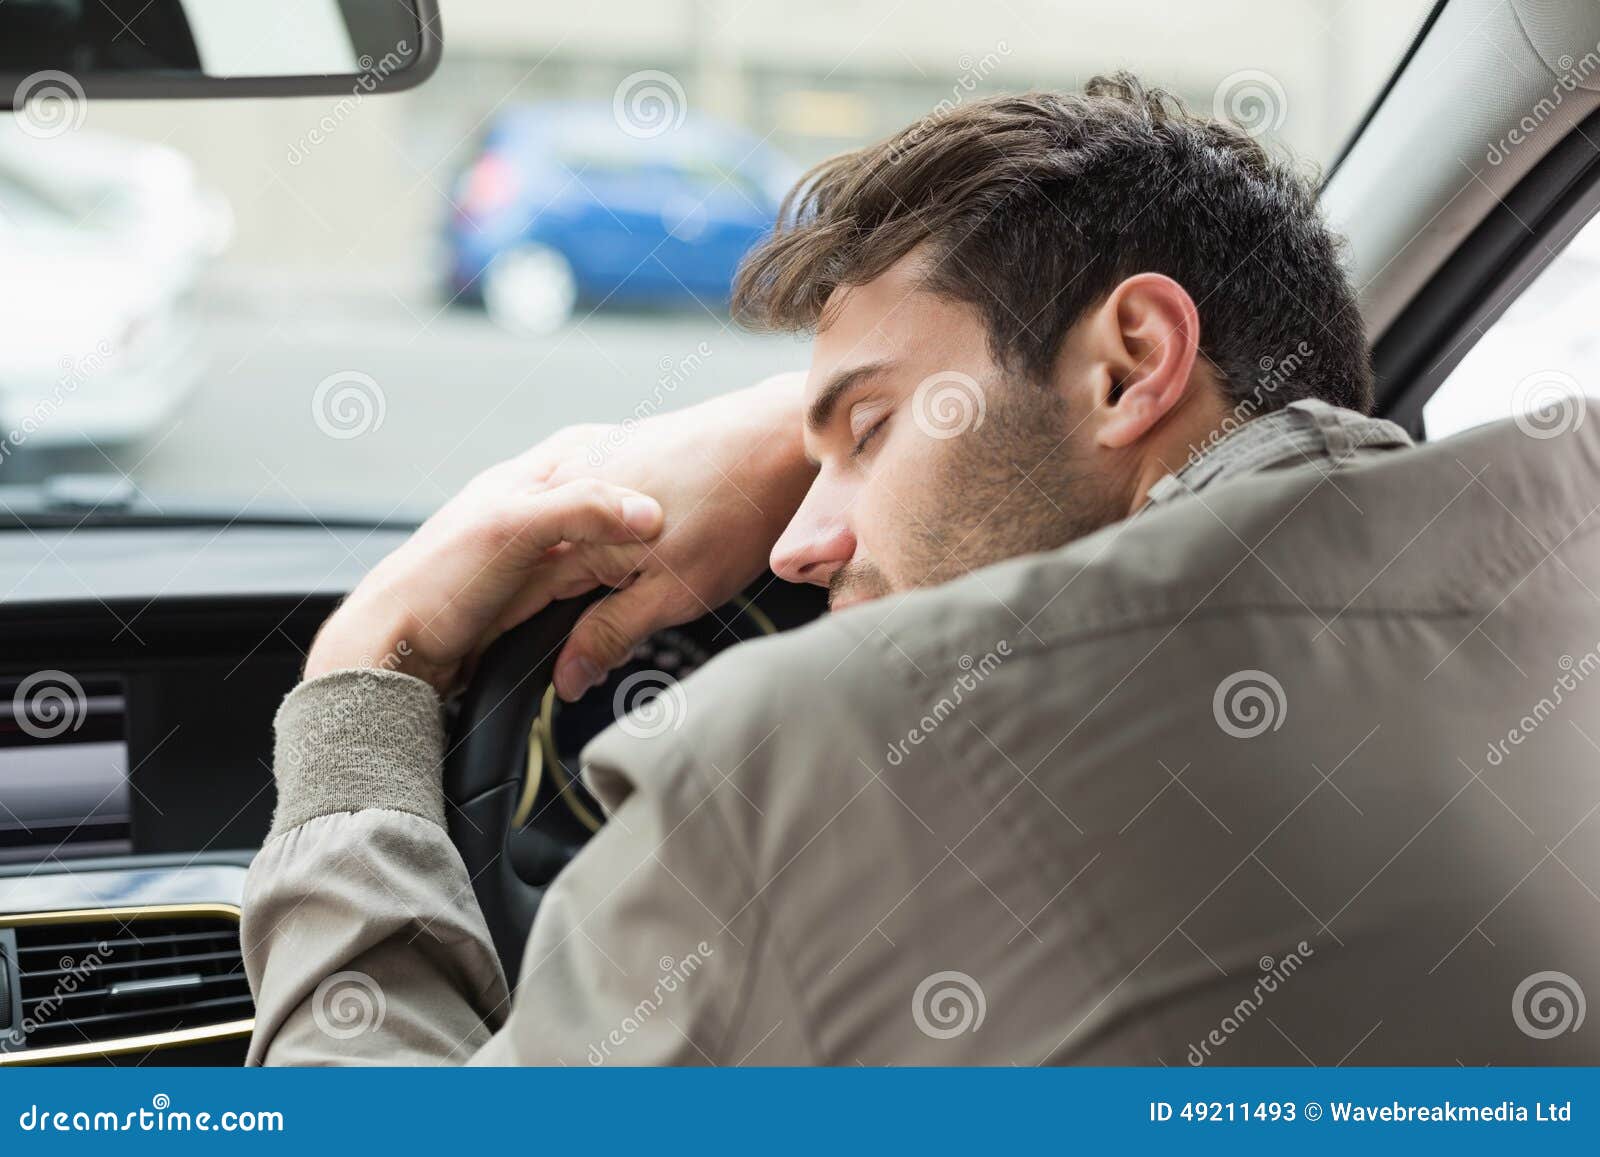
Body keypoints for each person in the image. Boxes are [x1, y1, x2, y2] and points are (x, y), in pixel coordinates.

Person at [242, 75, 1600, 1065]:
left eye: (869, 430)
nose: (794, 541)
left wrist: (374, 669)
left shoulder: (797, 769)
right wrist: (828, 419)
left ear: (1133, 362)